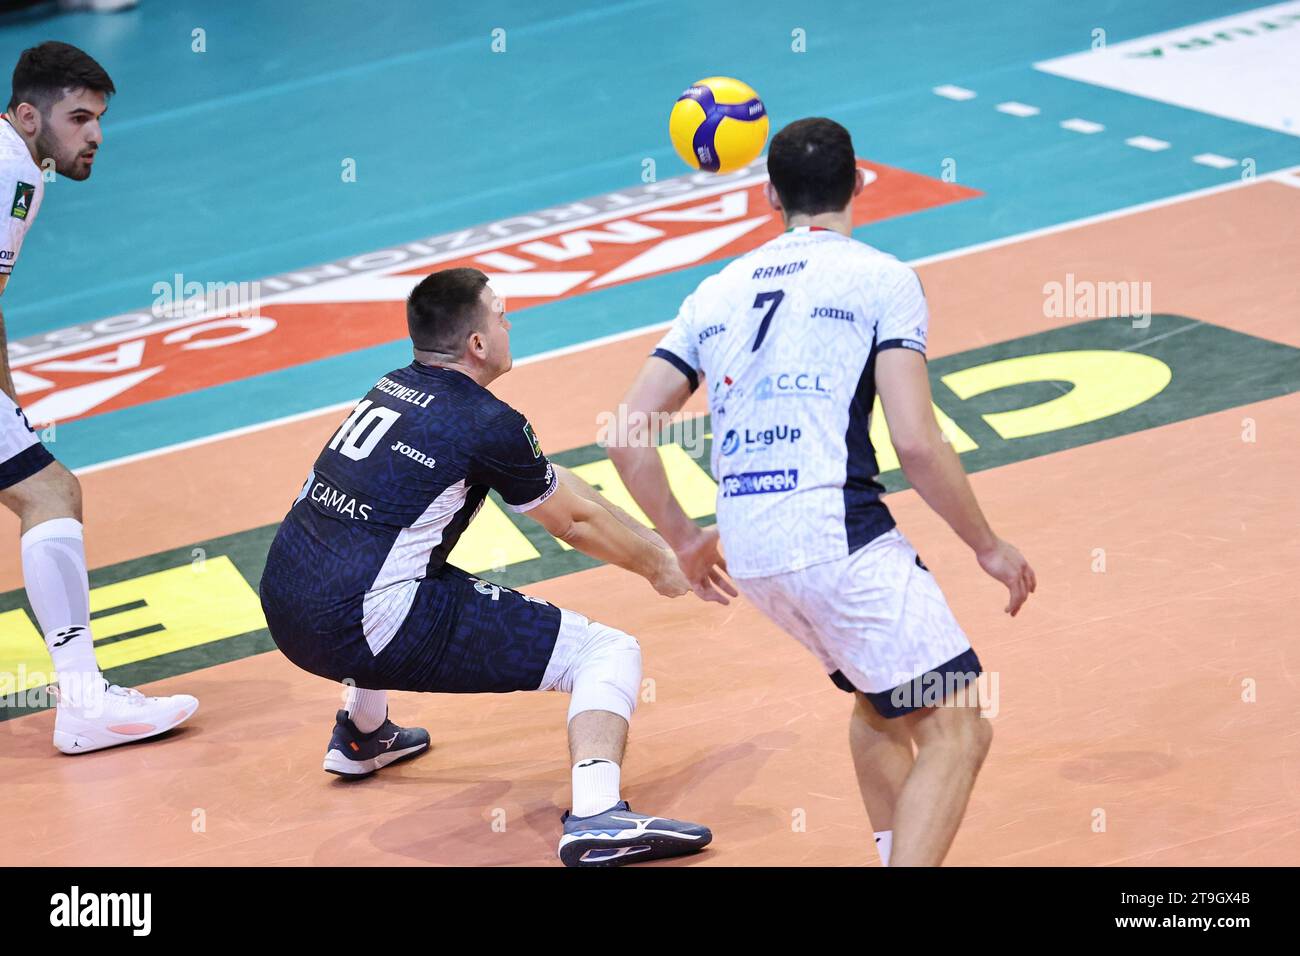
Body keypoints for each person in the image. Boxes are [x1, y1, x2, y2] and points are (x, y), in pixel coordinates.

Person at [609, 117, 1037, 867]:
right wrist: (988, 546)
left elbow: (625, 432)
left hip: (751, 549)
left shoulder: (715, 291)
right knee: (960, 726)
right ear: (860, 182)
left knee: (880, 706)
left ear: (770, 195)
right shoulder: (883, 279)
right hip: (837, 534)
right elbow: (916, 442)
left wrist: (684, 539)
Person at [259, 268, 712, 867]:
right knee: (607, 652)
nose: (509, 324)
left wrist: (660, 544)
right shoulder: (487, 423)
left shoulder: (391, 387)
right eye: (501, 315)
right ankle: (598, 815)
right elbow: (572, 524)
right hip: (361, 623)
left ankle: (363, 732)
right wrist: (660, 568)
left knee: (384, 557)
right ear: (477, 342)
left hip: (284, 600)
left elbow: (552, 485)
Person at [0, 41, 197, 754]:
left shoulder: (19, 165)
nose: (96, 136)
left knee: (46, 488)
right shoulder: (10, 172)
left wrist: (8, 402)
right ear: (29, 116)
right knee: (51, 494)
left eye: (99, 119)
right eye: (79, 118)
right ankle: (84, 704)